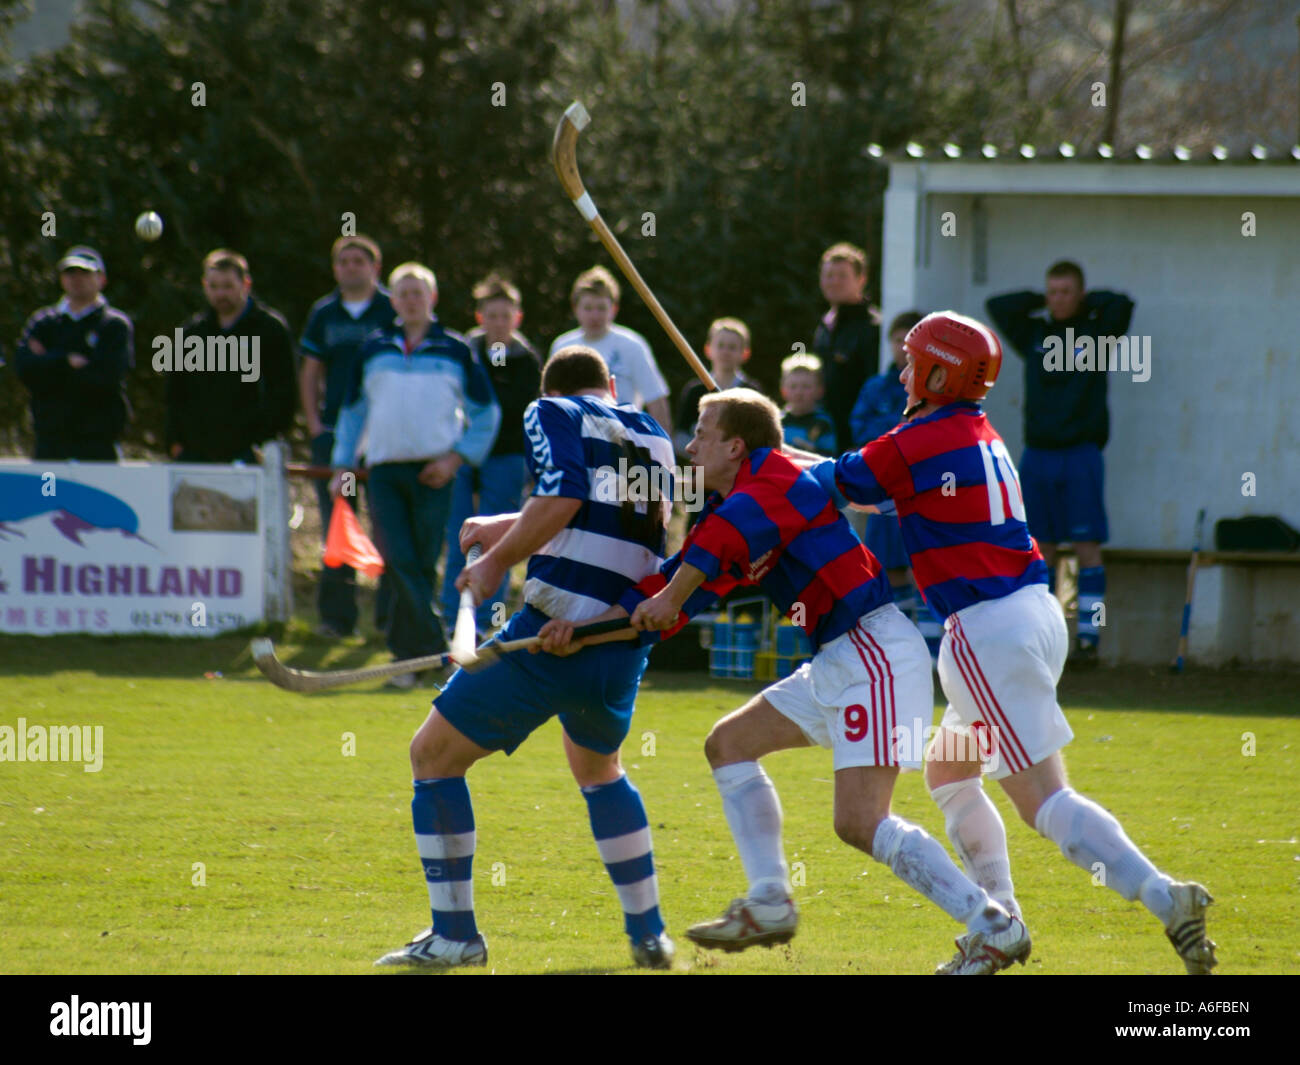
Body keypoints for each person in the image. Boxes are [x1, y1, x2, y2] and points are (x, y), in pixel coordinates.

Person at [538, 389, 1023, 971]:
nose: (688, 448)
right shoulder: (733, 510)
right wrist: (580, 628)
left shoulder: (775, 481)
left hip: (873, 652)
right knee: (729, 744)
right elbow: (676, 587)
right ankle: (770, 899)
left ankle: (991, 922)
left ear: (735, 446)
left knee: (859, 821)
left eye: (700, 434)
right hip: (840, 659)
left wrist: (671, 596)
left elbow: (703, 560)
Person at [804, 310, 1214, 975]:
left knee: (1044, 800)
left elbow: (833, 484)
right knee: (949, 771)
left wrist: (764, 455)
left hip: (986, 631)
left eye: (912, 361)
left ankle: (1163, 895)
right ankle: (1000, 920)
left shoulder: (918, 438)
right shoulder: (972, 430)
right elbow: (877, 495)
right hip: (1032, 613)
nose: (904, 371)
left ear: (940, 371)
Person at [374, 346, 676, 969]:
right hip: (618, 645)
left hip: (548, 638)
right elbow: (616, 516)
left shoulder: (549, 410)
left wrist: (493, 563)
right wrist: (508, 524)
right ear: (612, 386)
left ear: (551, 388)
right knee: (600, 771)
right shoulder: (651, 432)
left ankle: (455, 937)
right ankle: (650, 935)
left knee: (431, 757)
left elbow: (564, 498)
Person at [330, 262, 499, 687]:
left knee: (422, 564)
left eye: (417, 293)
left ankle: (410, 663)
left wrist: (455, 459)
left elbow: (486, 413)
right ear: (394, 301)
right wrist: (342, 463)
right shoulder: (373, 349)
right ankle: (442, 652)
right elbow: (351, 414)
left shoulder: (456, 350)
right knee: (397, 559)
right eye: (402, 293)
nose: (410, 300)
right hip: (384, 471)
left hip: (435, 473)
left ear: (432, 299)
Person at [986, 262, 1135, 668]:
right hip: (1038, 455)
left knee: (1087, 547)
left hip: (1081, 454)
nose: (1058, 299)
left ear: (1081, 295)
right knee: (1040, 549)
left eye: (1066, 291)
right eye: (1052, 291)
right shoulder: (1034, 335)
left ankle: (1089, 639)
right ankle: (1044, 637)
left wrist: (1086, 303)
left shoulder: (1098, 334)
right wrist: (1040, 298)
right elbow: (997, 306)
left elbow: (1123, 304)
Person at [299, 235, 396, 639]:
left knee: (388, 528)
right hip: (335, 439)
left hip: (385, 441)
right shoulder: (324, 313)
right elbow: (309, 371)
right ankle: (336, 621)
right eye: (344, 261)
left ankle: (390, 622)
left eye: (360, 261)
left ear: (375, 268)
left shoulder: (391, 308)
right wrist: (313, 423)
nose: (351, 268)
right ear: (336, 269)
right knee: (339, 525)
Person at [439, 274, 541, 635]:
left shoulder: (527, 361)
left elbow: (528, 415)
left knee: (499, 541)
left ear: (517, 318)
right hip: (464, 456)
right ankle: (452, 619)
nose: (498, 322)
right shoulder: (466, 352)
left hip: (508, 459)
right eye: (491, 315)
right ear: (480, 316)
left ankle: (488, 621)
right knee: (461, 537)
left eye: (505, 315)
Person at [848, 310, 942, 660]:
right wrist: (898, 434)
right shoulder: (875, 387)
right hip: (886, 490)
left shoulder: (937, 391)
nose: (903, 353)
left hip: (922, 492)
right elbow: (862, 430)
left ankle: (933, 651)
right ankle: (905, 650)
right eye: (898, 342)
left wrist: (901, 435)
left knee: (922, 566)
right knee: (888, 566)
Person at [165, 249, 297, 463]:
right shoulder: (192, 332)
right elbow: (175, 393)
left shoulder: (270, 329)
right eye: (213, 286)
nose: (220, 294)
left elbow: (283, 392)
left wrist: (264, 439)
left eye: (228, 286)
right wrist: (174, 441)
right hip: (196, 452)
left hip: (249, 452)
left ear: (245, 284)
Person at [15, 246, 133, 461]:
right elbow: (25, 369)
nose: (77, 279)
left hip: (97, 442)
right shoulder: (43, 322)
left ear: (102, 279)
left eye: (85, 273)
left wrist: (47, 362)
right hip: (50, 442)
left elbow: (107, 376)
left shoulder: (114, 325)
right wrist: (66, 362)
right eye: (70, 273)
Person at [550, 266, 671, 437]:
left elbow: (656, 398)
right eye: (588, 308)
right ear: (575, 308)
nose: (595, 315)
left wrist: (663, 448)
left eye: (601, 308)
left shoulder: (632, 345)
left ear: (614, 309)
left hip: (624, 440)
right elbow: (551, 400)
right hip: (576, 440)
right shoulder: (562, 347)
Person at [812, 242, 880, 450]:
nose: (834, 282)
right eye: (829, 275)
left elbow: (875, 386)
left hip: (859, 442)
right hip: (826, 438)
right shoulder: (825, 325)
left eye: (842, 275)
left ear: (861, 279)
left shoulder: (873, 326)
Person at [673, 317, 763, 455]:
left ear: (745, 353)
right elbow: (680, 436)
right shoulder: (694, 390)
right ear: (708, 349)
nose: (725, 352)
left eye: (732, 347)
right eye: (720, 345)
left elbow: (757, 437)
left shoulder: (751, 392)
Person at [778, 354, 836, 456]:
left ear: (819, 391)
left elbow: (829, 456)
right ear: (783, 390)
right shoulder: (778, 421)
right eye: (793, 386)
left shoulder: (822, 422)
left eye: (806, 387)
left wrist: (810, 450)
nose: (799, 392)